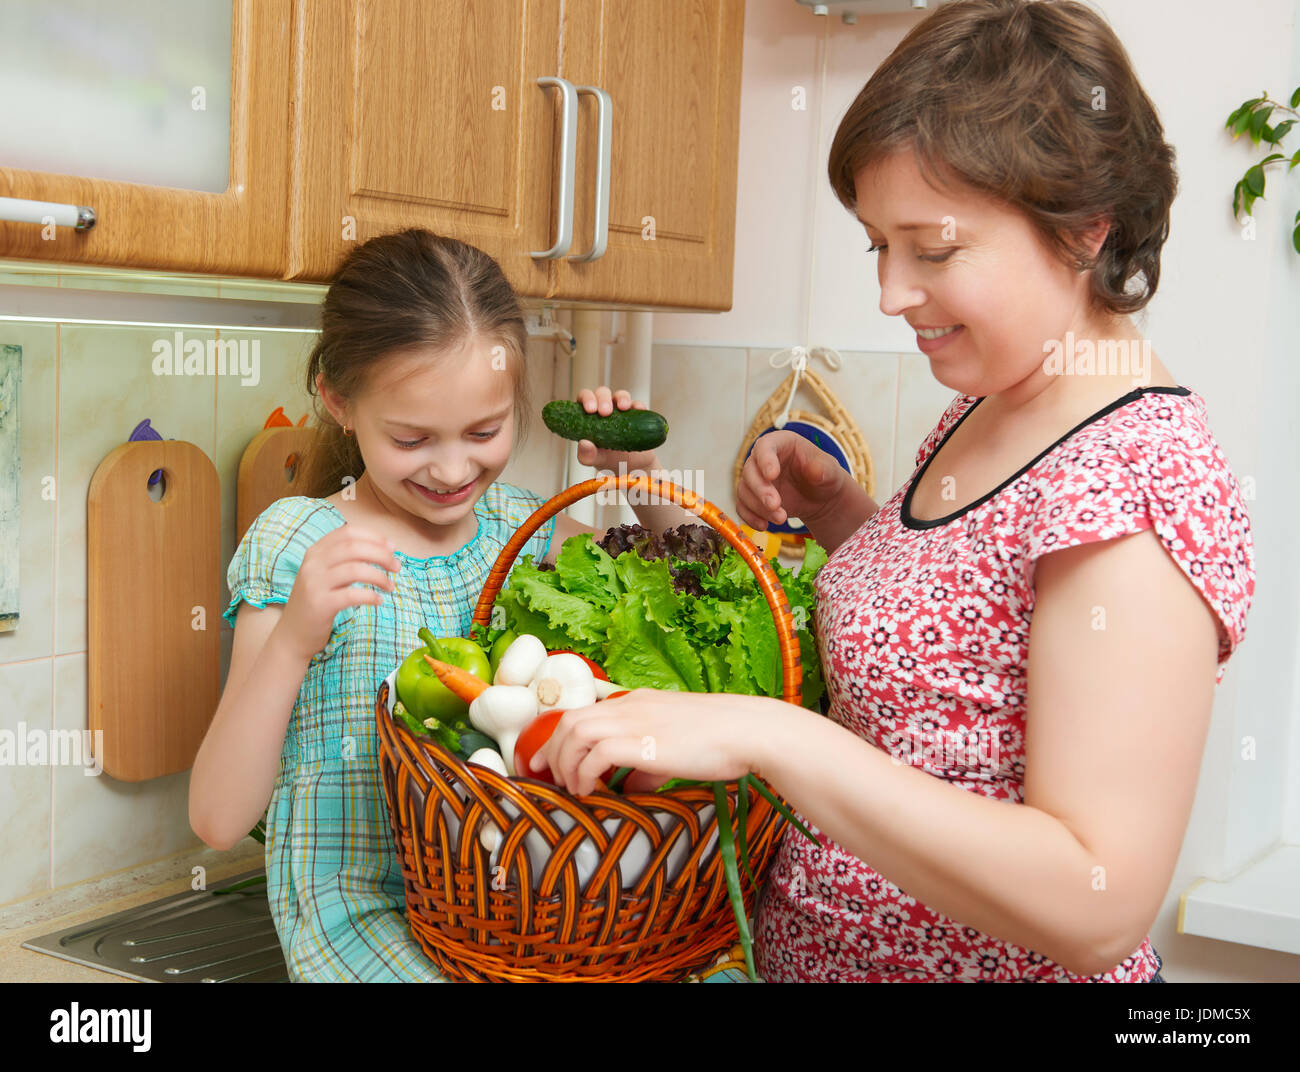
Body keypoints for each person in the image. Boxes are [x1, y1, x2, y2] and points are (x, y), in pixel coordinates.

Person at [537, 0, 1255, 982]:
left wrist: (767, 736)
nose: (890, 294)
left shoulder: (1130, 477)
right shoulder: (994, 401)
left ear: (1085, 230)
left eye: (933, 248)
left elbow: (1095, 899)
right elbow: (971, 658)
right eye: (877, 244)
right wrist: (842, 515)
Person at [188, 229, 689, 982]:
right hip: (357, 915)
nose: (455, 469)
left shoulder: (524, 528)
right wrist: (293, 640)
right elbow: (218, 818)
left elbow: (686, 591)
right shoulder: (296, 543)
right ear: (338, 400)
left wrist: (639, 479)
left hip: (517, 912)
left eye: (485, 432)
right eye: (413, 438)